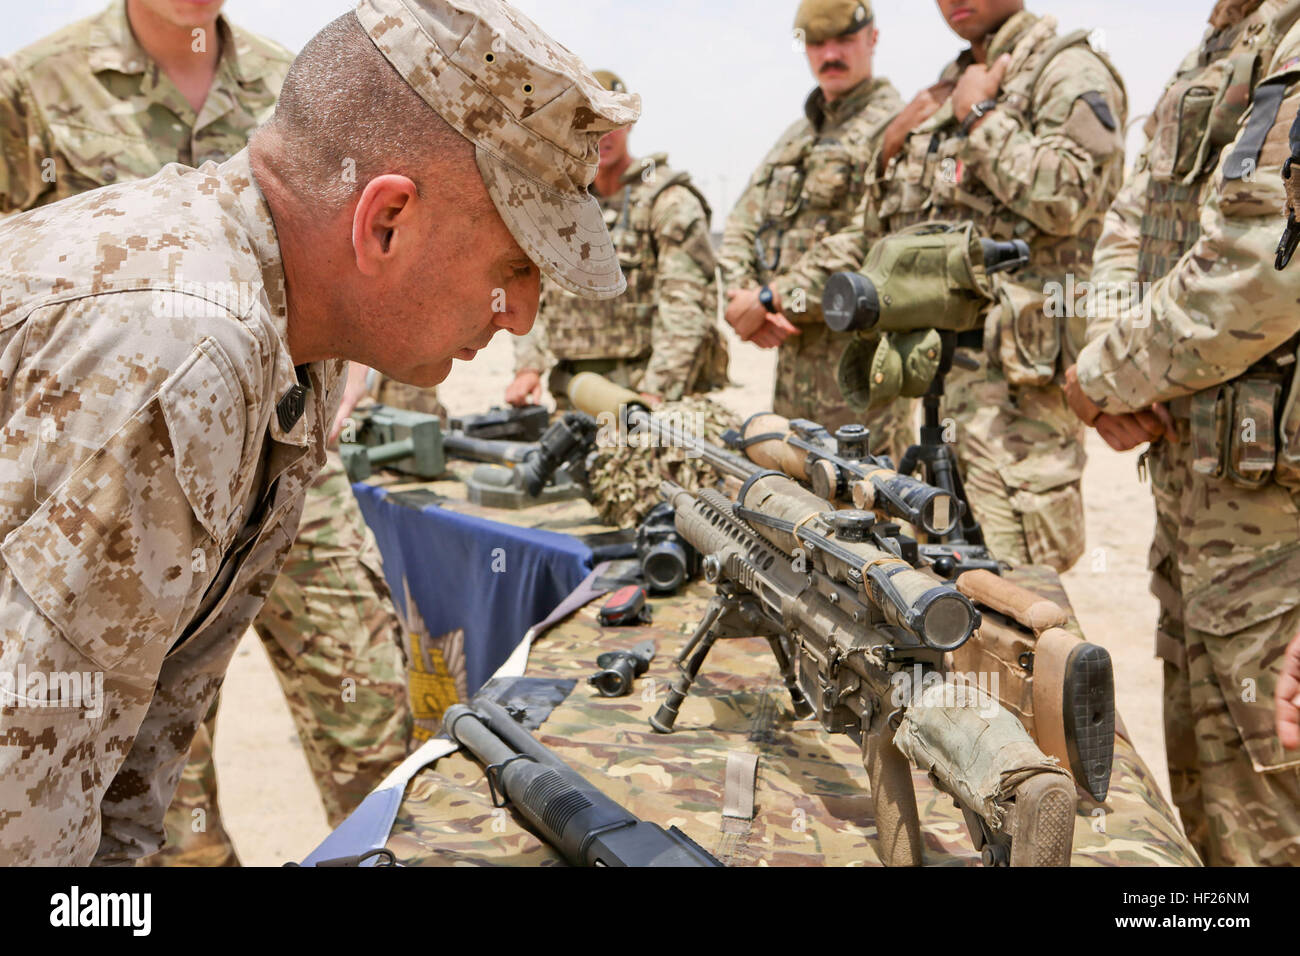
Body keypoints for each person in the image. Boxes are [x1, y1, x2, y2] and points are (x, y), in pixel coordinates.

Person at [0, 0, 638, 865]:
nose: (520, 314)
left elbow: (130, 755)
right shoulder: (183, 350)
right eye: (515, 265)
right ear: (384, 222)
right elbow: (23, 817)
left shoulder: (298, 326)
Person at [0, 0, 413, 867]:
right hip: (117, 484)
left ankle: (391, 852)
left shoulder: (295, 80)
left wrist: (357, 361)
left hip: (284, 449)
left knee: (372, 702)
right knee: (138, 757)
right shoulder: (34, 84)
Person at [1065, 0, 1300, 865]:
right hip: (1200, 520)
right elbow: (1133, 217)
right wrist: (1111, 362)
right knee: (1212, 830)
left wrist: (1103, 379)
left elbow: (1266, 263)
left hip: (1283, 547)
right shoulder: (1221, 40)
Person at [785, 0, 1127, 572]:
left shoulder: (1066, 70)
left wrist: (980, 117)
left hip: (1015, 406)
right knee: (939, 594)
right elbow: (901, 232)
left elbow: (1068, 195)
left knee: (1020, 601)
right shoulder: (949, 86)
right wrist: (892, 144)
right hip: (941, 387)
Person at [717, 0, 910, 457]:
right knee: (793, 508)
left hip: (862, 376)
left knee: (869, 512)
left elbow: (876, 239)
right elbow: (744, 220)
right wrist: (744, 299)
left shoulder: (899, 127)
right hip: (792, 369)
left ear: (873, 39)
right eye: (817, 44)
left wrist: (774, 296)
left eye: (844, 40)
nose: (830, 55)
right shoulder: (797, 135)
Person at [506, 69, 725, 408]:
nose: (600, 133)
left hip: (643, 394)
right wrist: (528, 368)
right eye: (587, 121)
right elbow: (529, 290)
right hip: (572, 393)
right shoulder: (555, 204)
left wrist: (656, 392)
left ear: (630, 123)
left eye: (611, 120)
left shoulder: (667, 200)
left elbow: (686, 302)